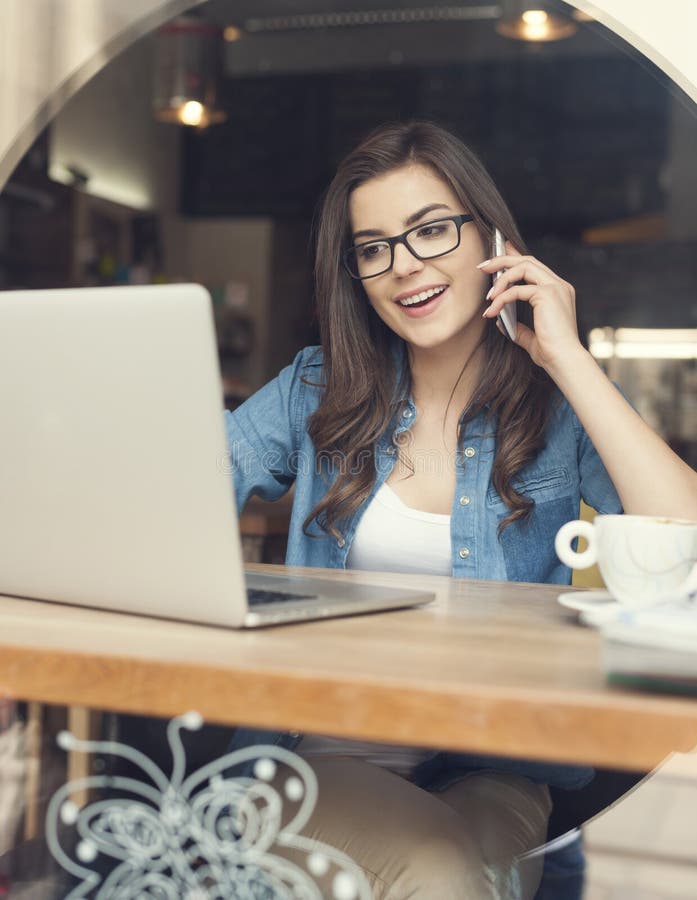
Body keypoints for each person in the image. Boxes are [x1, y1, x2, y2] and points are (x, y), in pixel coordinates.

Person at [224, 121, 697, 899]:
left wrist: (567, 360)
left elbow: (685, 537)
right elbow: (184, 484)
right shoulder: (315, 387)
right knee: (445, 873)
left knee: (464, 873)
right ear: (356, 273)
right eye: (374, 247)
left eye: (432, 231)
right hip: (325, 758)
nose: (404, 266)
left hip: (494, 766)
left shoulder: (554, 403)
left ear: (491, 238)